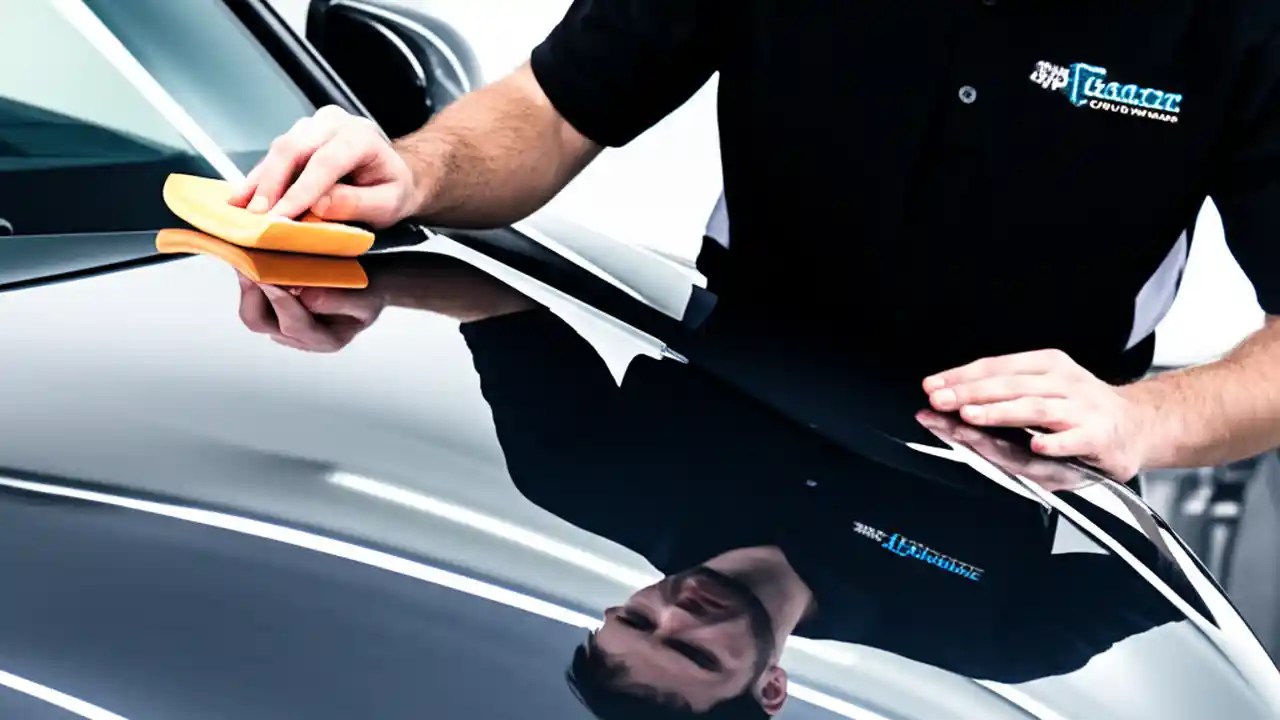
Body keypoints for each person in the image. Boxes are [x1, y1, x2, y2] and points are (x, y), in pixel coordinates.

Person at [234, 0, 1280, 484]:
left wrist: (1142, 421)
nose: (665, 619)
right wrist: (414, 169)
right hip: (740, 399)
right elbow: (554, 111)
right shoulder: (582, 479)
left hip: (1027, 485)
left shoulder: (1241, 22)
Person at [235, 254, 1203, 717]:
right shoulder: (994, 637)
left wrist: (365, 285)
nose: (675, 613)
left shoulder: (574, 476)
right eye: (695, 655)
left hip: (813, 195)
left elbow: (499, 297)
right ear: (769, 687)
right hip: (1074, 266)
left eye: (632, 620)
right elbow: (1199, 591)